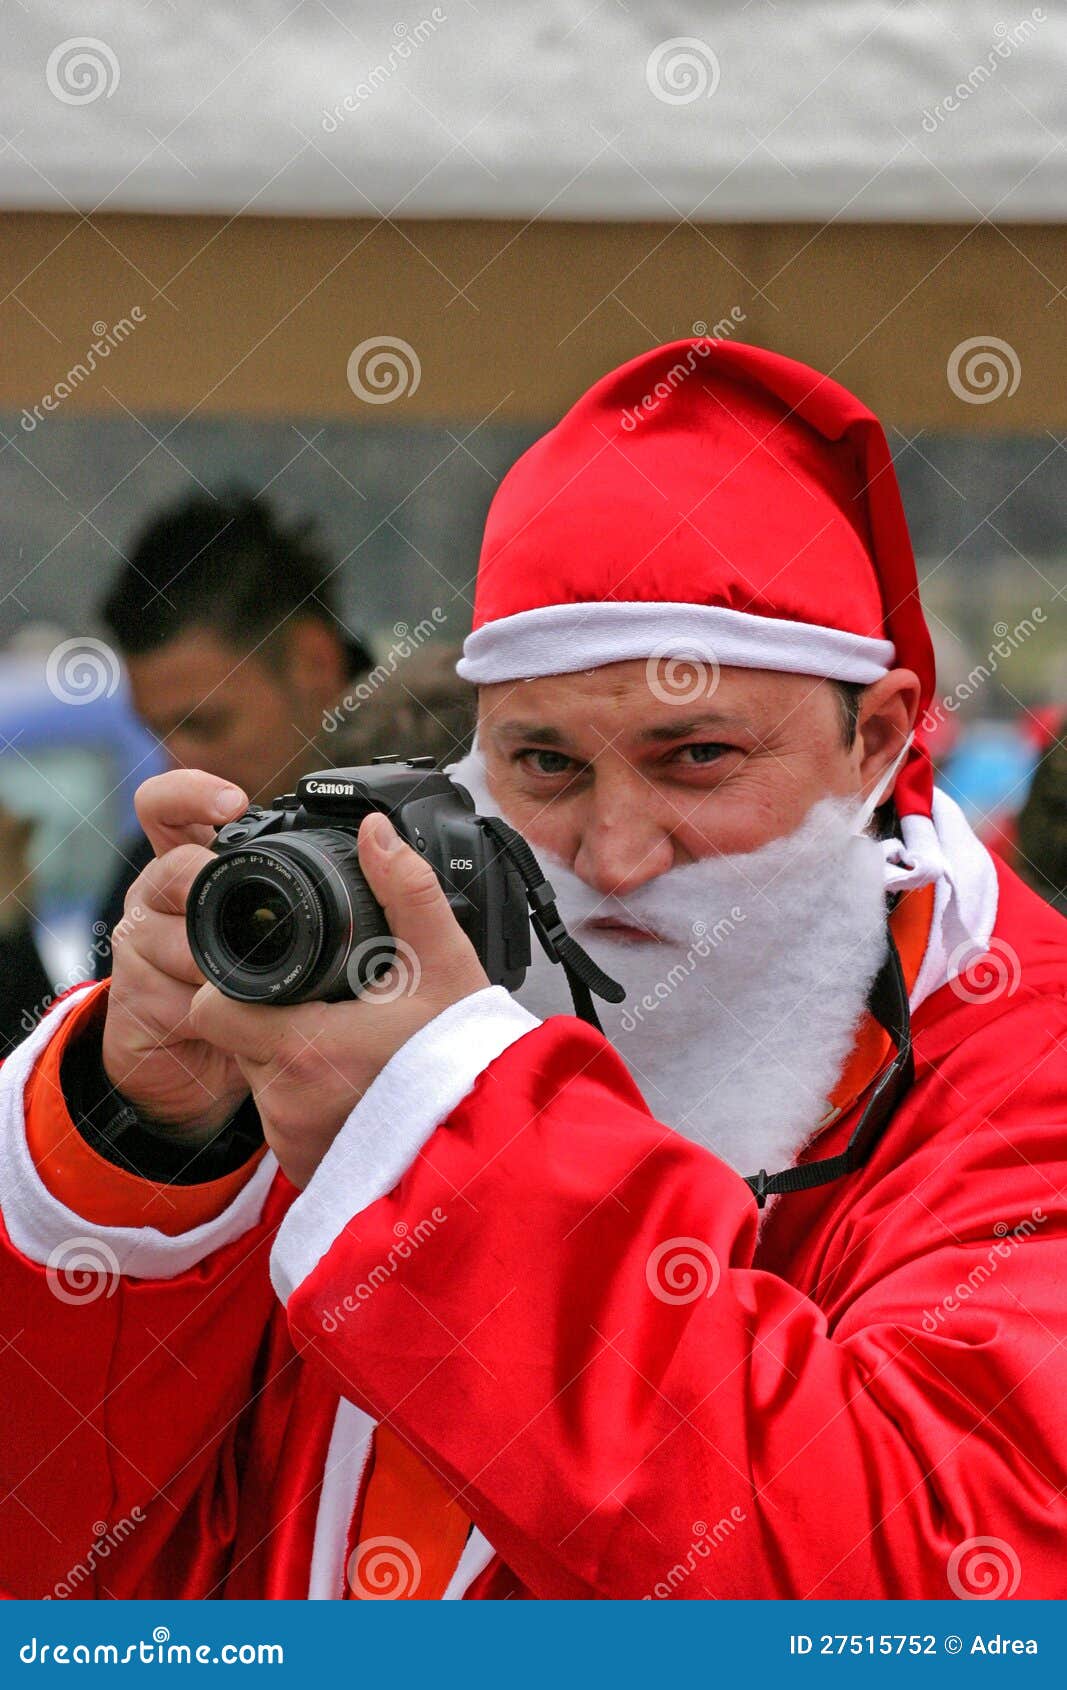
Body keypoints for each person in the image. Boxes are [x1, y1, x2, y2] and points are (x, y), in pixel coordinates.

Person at [2, 340, 1065, 1602]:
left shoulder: (1018, 1066)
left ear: (873, 740)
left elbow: (945, 1595)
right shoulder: (384, 1014)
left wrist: (461, 1151)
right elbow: (68, 1585)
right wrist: (144, 1155)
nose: (614, 857)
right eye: (546, 766)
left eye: (696, 757)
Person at [91, 491, 373, 974]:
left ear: (314, 663)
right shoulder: (163, 866)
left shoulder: (447, 811)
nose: (175, 766)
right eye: (158, 732)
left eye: (205, 724)